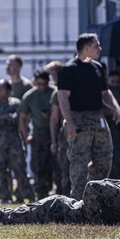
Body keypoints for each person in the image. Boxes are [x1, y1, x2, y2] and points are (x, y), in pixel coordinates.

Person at [57, 33, 120, 200]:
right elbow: (62, 97)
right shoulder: (68, 69)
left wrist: (116, 108)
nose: (99, 48)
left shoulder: (97, 67)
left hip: (98, 118)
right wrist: (69, 122)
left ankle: (94, 198)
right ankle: (77, 203)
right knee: (79, 163)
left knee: (104, 159)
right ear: (85, 48)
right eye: (96, 46)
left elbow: (105, 93)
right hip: (78, 119)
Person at [0, 79, 34, 204]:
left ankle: (22, 195)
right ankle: (5, 197)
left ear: (9, 91)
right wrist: (8, 118)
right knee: (0, 171)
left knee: (20, 169)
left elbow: (18, 120)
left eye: (2, 89)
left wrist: (4, 118)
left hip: (14, 143)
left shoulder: (16, 104)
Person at [19, 69, 58, 199]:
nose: (42, 87)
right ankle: (41, 196)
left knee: (57, 167)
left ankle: (58, 193)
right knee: (38, 168)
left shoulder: (55, 92)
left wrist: (52, 115)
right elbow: (22, 118)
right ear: (35, 82)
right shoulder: (29, 96)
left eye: (45, 84)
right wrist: (26, 136)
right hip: (38, 137)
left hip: (55, 135)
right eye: (39, 84)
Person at [46, 61, 72, 197]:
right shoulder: (56, 93)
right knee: (63, 166)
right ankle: (64, 195)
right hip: (65, 133)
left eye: (55, 72)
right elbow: (54, 119)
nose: (53, 76)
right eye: (51, 73)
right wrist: (54, 142)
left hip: (80, 131)